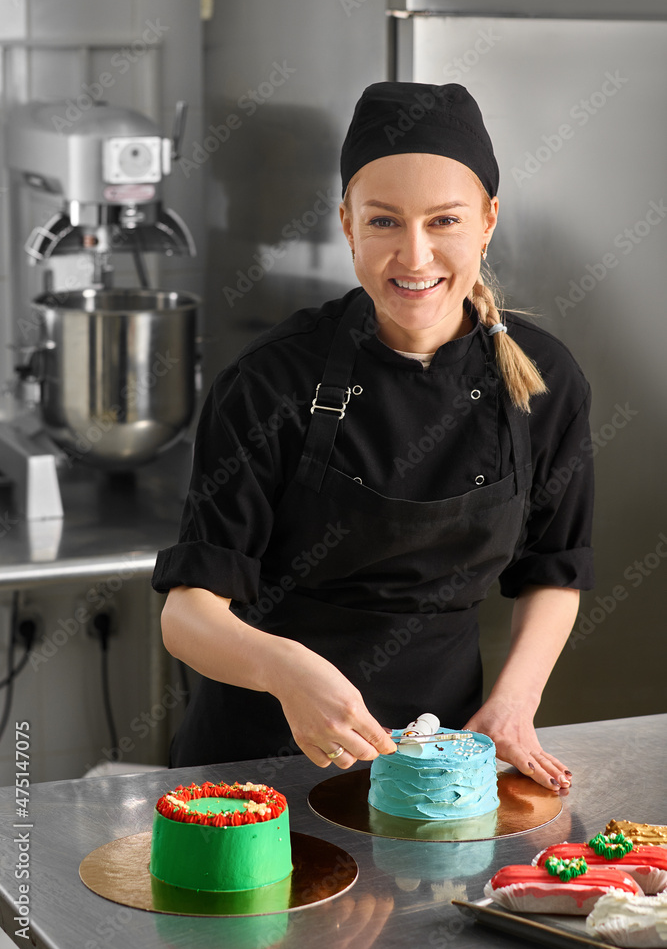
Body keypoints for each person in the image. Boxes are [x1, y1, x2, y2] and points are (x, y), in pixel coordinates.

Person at [152, 82, 594, 793]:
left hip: (440, 765)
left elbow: (553, 569)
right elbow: (187, 615)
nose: (414, 257)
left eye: (444, 221)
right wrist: (286, 670)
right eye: (384, 221)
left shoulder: (542, 379)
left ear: (487, 221)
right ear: (347, 224)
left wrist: (515, 702)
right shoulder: (271, 380)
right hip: (257, 764)